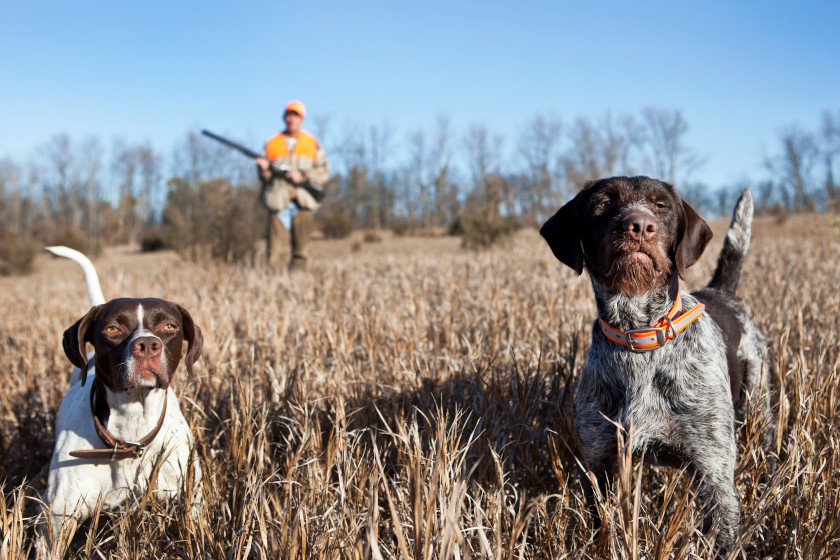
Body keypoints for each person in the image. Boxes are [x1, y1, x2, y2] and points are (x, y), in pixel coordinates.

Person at [255, 100, 330, 272]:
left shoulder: (312, 143)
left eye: (295, 116)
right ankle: (275, 290)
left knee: (301, 253)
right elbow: (264, 178)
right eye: (289, 115)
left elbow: (324, 171)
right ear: (284, 118)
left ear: (302, 119)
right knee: (275, 254)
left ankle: (298, 288)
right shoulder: (272, 143)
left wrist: (302, 176)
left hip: (303, 201)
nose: (291, 119)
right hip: (278, 201)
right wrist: (263, 169)